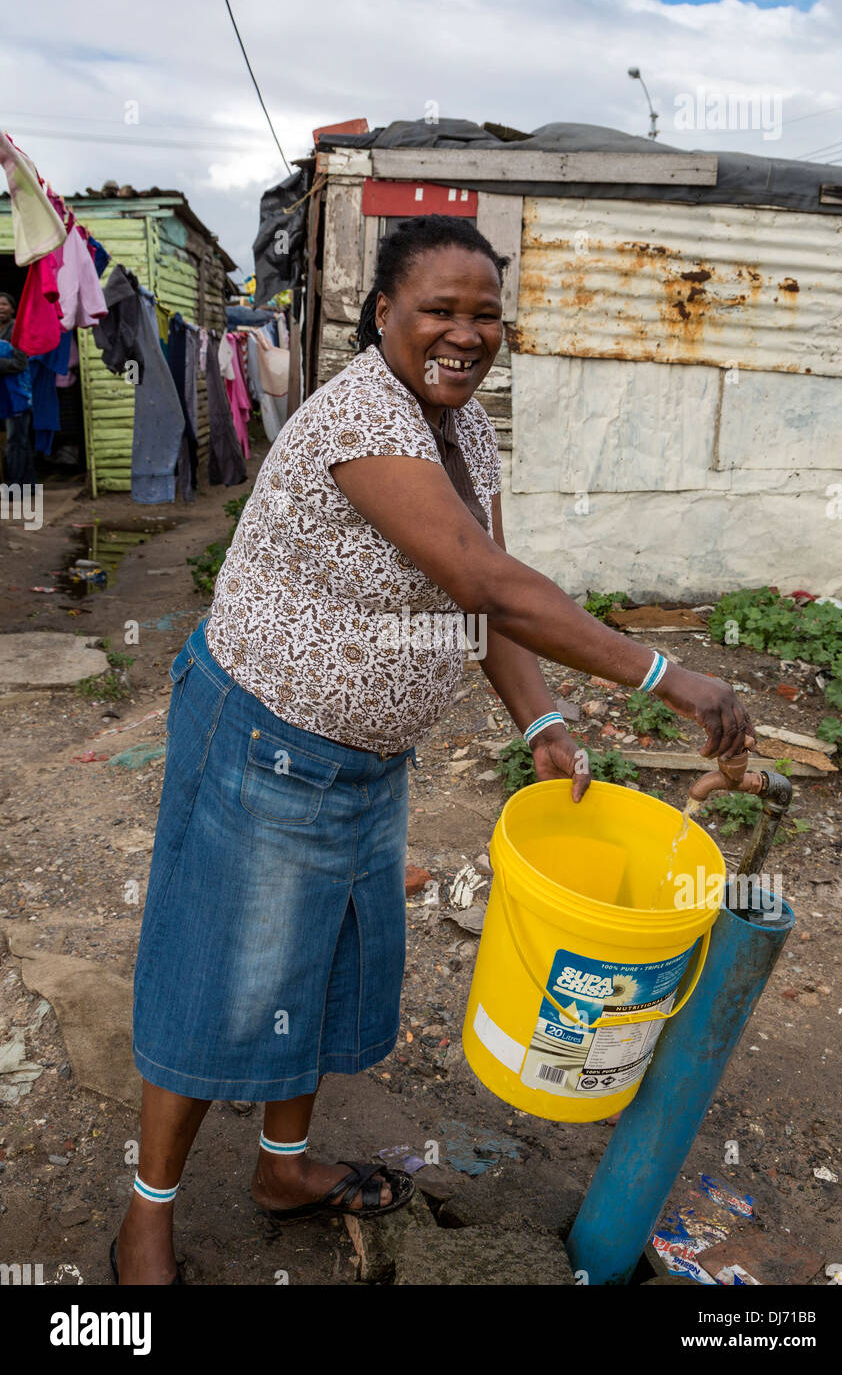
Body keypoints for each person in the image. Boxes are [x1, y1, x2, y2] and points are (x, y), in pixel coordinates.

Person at [116, 215, 755, 1285]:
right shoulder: (361, 418)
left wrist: (542, 721)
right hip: (264, 743)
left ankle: (281, 1170)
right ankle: (145, 1221)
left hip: (365, 764)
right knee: (213, 983)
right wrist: (667, 676)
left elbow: (488, 600)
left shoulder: (463, 428)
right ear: (383, 317)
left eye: (484, 315)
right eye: (439, 312)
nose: (464, 335)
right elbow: (485, 581)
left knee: (316, 974)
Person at [0, 291, 33, 487]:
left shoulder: (18, 331)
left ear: (13, 309)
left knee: (16, 440)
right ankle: (27, 486)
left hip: (16, 395)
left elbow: (20, 363)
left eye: (4, 304)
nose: (1, 308)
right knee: (18, 442)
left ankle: (15, 486)